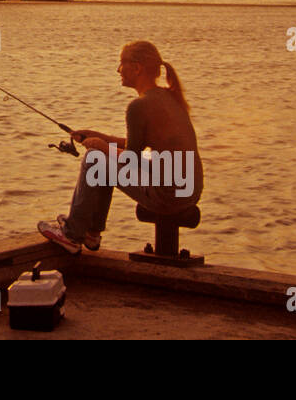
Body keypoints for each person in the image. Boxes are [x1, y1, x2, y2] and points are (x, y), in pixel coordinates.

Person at [38, 40, 203, 253]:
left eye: (121, 64)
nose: (118, 70)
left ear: (137, 67)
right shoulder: (167, 97)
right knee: (103, 159)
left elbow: (130, 159)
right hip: (188, 190)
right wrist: (101, 137)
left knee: (93, 159)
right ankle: (90, 232)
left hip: (168, 196)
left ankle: (72, 234)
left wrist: (101, 147)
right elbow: (137, 145)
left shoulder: (139, 106)